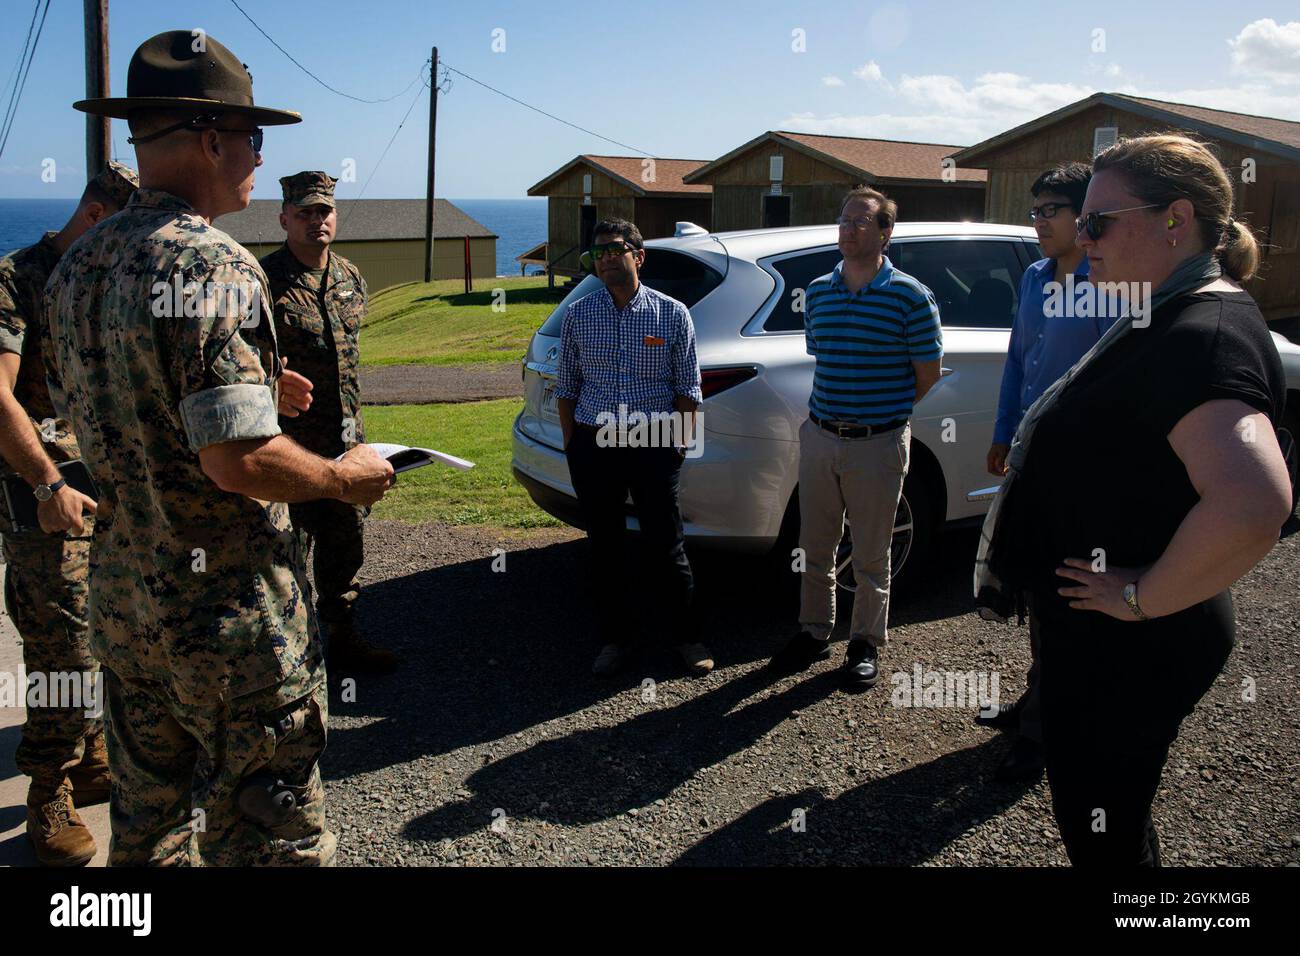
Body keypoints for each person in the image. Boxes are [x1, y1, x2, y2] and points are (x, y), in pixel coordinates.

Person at [44, 30, 393, 866]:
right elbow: (237, 462)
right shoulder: (213, 263)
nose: (257, 158)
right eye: (252, 138)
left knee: (148, 830)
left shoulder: (78, 265)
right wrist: (343, 478)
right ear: (210, 138)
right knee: (270, 840)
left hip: (129, 609)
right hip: (230, 625)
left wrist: (252, 397)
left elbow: (115, 412)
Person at [975, 134, 1292, 865]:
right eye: (1079, 222)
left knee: (1103, 826)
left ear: (1176, 219)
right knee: (1109, 816)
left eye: (1097, 222)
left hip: (1134, 646)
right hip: (1108, 639)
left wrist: (1142, 596)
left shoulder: (1201, 333)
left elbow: (1254, 503)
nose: (1081, 238)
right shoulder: (1159, 310)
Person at [0, 162, 137, 866]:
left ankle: (89, 756)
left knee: (109, 629)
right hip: (41, 492)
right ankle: (45, 789)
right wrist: (49, 482)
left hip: (104, 484)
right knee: (64, 648)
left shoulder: (101, 277)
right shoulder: (16, 278)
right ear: (94, 213)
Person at [767, 187, 942, 690]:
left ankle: (864, 642)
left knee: (870, 550)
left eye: (861, 222)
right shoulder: (819, 291)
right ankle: (814, 631)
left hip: (877, 443)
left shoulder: (910, 295)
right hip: (821, 435)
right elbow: (820, 351)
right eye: (844, 220)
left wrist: (884, 419)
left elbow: (926, 374)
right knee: (815, 543)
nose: (848, 229)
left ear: (886, 233)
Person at [977, 162, 1115, 783]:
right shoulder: (1034, 277)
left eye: (1050, 211)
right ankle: (1036, 701)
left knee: (1068, 596)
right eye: (1034, 211)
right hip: (1031, 457)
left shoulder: (1108, 281)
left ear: (1085, 217)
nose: (1037, 222)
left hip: (1082, 467)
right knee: (1033, 586)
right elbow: (1018, 360)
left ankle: (1044, 734)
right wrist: (1004, 431)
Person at [554, 218, 711, 677]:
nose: (604, 258)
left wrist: (677, 445)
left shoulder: (672, 314)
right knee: (605, 547)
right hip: (594, 443)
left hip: (653, 442)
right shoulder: (580, 315)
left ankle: (687, 638)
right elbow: (567, 386)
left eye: (614, 249)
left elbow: (688, 388)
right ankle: (615, 640)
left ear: (638, 256)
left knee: (666, 545)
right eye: (597, 252)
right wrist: (572, 445)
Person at [260, 171, 396, 674]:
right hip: (286, 447)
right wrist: (271, 382)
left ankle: (342, 640)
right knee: (283, 552)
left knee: (345, 550)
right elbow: (233, 359)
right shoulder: (261, 278)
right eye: (305, 213)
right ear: (284, 218)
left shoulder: (349, 277)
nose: (317, 221)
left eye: (325, 212)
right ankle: (290, 656)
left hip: (345, 446)